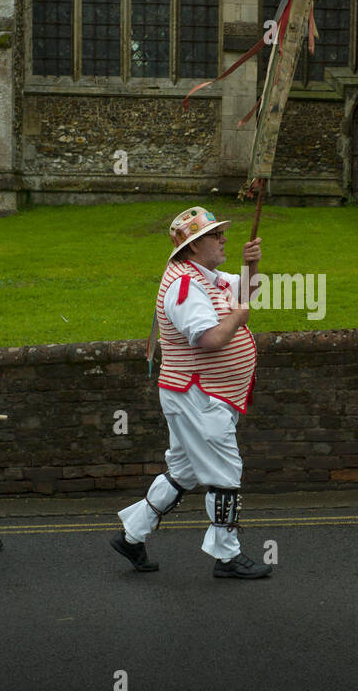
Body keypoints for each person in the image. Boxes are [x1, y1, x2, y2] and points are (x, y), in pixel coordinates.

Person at [112, 206, 272, 579]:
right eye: (216, 235)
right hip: (198, 396)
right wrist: (238, 318)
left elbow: (249, 289)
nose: (223, 239)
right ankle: (227, 556)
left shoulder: (206, 277)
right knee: (225, 472)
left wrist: (252, 265)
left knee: (183, 471)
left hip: (202, 395)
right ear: (194, 246)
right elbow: (210, 339)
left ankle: (131, 536)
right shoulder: (185, 287)